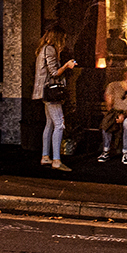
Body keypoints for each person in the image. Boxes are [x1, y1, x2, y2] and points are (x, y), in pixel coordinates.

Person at [32, 25, 78, 171]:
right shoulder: (50, 49)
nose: (64, 41)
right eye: (63, 38)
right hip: (51, 92)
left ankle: (45, 156)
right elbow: (54, 72)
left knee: (50, 124)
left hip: (44, 92)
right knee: (59, 124)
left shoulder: (43, 49)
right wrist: (66, 65)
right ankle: (57, 161)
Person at [98, 66, 127, 163]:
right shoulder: (113, 85)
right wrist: (115, 115)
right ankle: (106, 151)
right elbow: (109, 103)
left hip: (126, 113)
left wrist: (124, 115)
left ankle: (126, 152)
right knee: (107, 122)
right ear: (126, 74)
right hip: (114, 111)